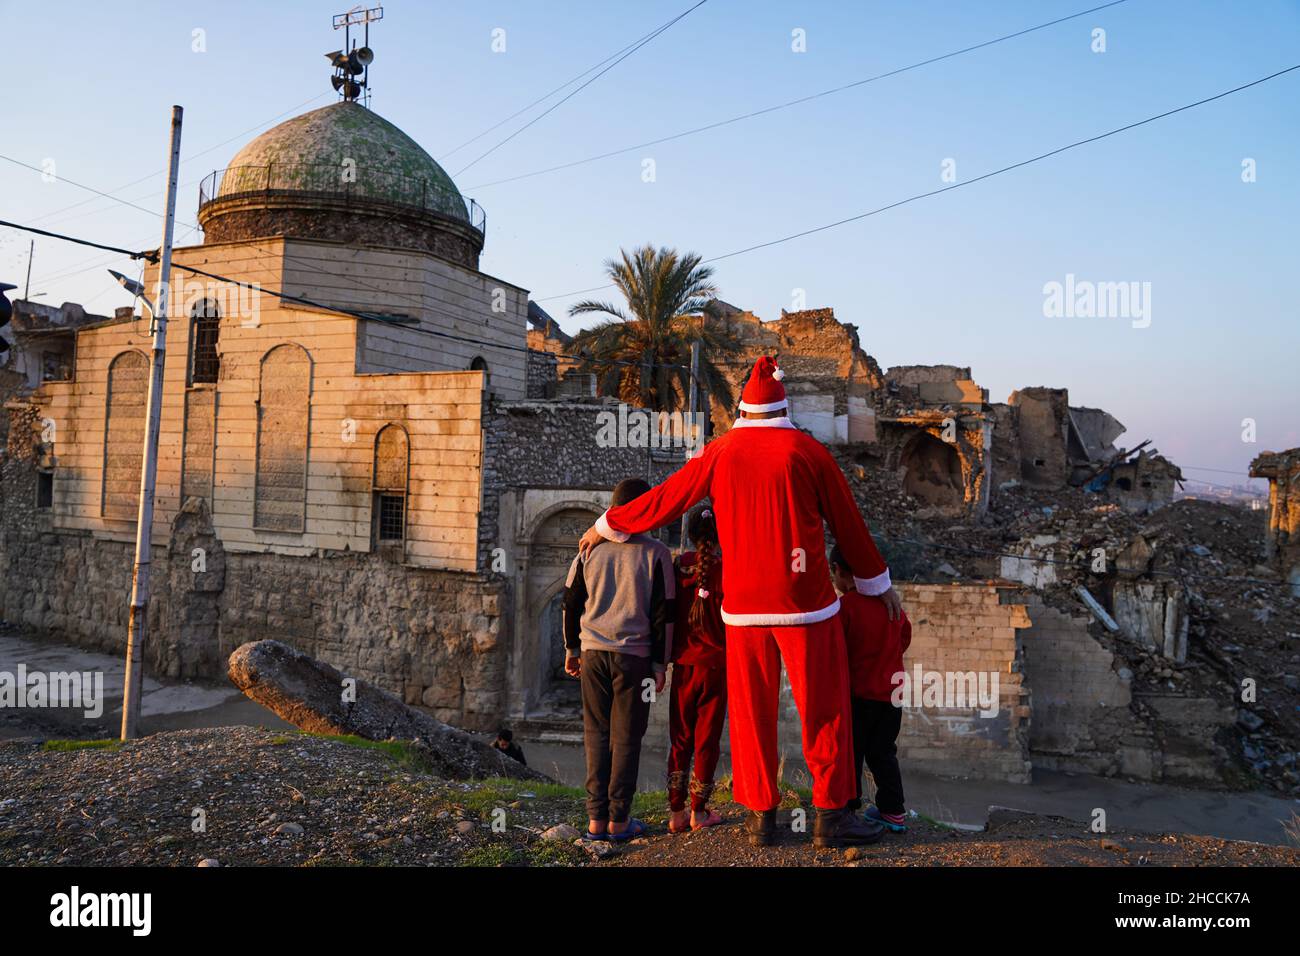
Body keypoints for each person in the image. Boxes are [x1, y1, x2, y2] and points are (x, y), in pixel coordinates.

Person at [579, 356, 902, 849]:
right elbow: (850, 528)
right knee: (826, 709)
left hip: (745, 607)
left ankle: (760, 818)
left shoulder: (721, 452)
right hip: (807, 606)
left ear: (744, 410)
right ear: (784, 408)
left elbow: (666, 498)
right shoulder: (809, 452)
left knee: (751, 712)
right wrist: (878, 584)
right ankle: (830, 817)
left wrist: (608, 524)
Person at [563, 477, 675, 843]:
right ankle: (619, 819)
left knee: (596, 733)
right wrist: (661, 664)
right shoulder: (656, 553)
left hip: (594, 655)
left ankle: (595, 819)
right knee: (628, 737)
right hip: (637, 661)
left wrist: (572, 649)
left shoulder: (588, 549)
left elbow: (570, 601)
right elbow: (664, 614)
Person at [830, 546, 910, 832]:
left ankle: (849, 810)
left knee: (853, 752)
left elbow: (836, 650)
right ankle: (893, 811)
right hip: (892, 694)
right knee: (884, 752)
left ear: (840, 571)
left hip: (860, 695)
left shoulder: (845, 608)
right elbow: (904, 638)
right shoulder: (892, 605)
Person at [667, 504, 728, 833]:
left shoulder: (679, 568)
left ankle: (675, 812)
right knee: (707, 741)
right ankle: (698, 811)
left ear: (690, 536)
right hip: (717, 667)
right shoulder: (727, 570)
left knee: (680, 739)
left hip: (684, 667)